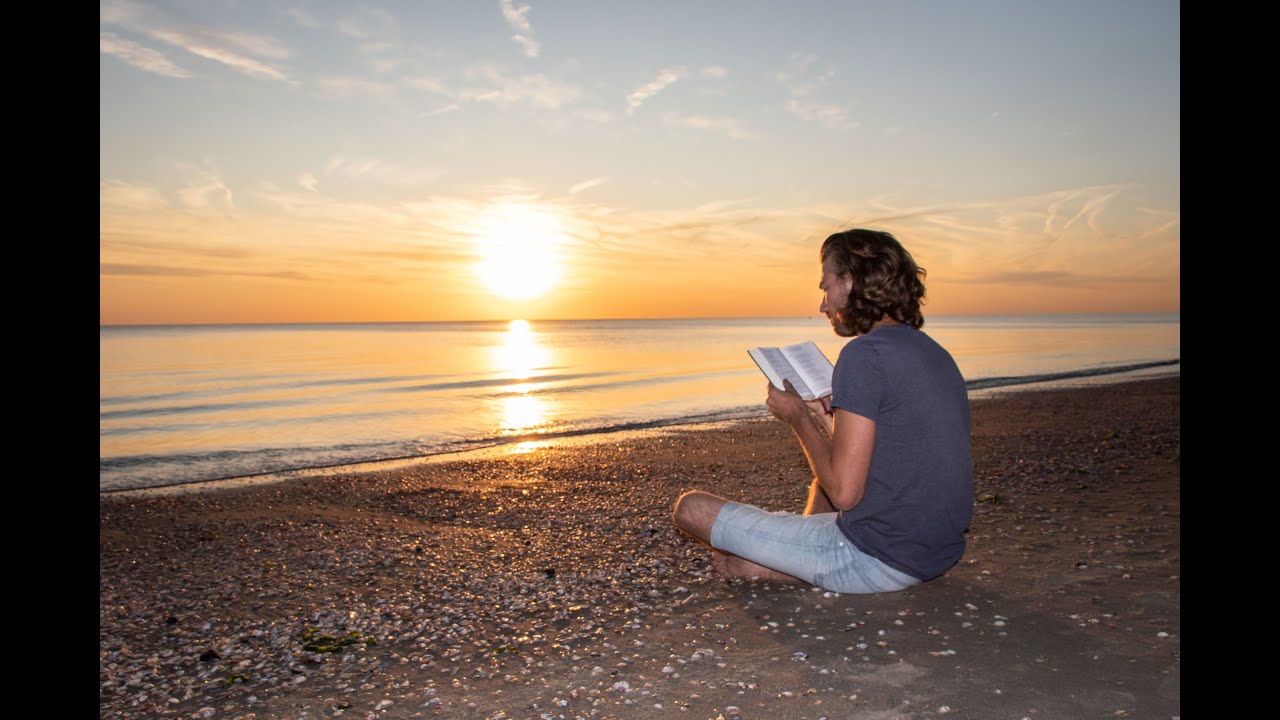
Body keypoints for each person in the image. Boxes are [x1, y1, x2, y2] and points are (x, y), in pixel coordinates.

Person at [673, 228, 973, 593]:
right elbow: (894, 457)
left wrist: (797, 417)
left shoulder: (863, 355)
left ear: (852, 282)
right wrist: (823, 415)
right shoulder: (935, 354)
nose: (823, 304)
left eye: (826, 287)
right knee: (826, 472)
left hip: (875, 560)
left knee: (690, 509)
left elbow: (845, 493)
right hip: (934, 553)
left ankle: (778, 567)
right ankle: (791, 559)